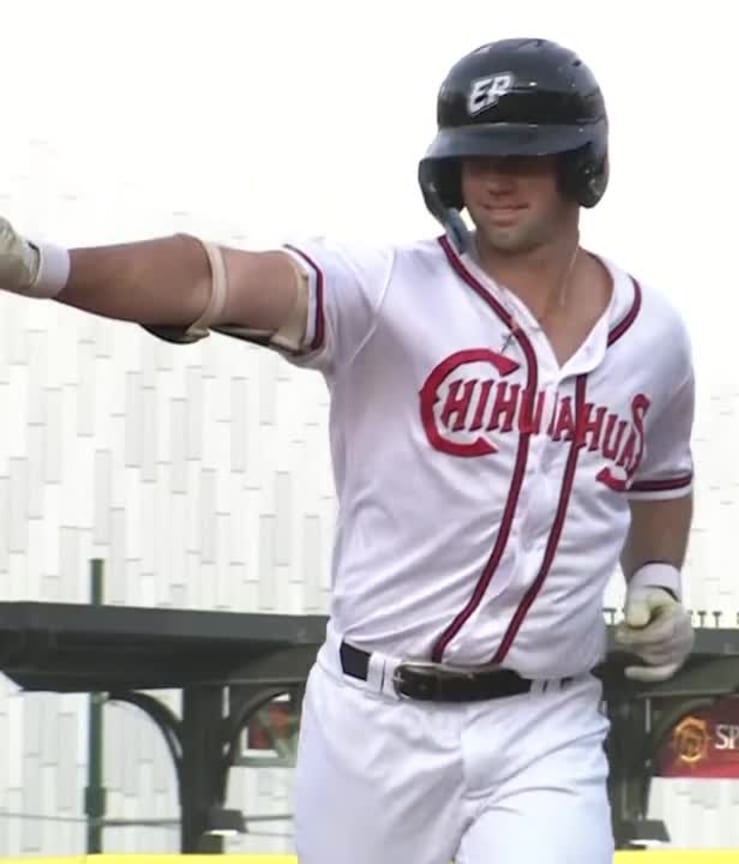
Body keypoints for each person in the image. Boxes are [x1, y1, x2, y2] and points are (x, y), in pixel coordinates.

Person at [0, 37, 697, 863]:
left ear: (583, 165)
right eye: (474, 159)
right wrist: (43, 267)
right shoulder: (391, 289)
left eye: (525, 155)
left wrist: (656, 577)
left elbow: (658, 474)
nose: (496, 180)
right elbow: (213, 277)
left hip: (543, 722)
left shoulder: (652, 335)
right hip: (375, 724)